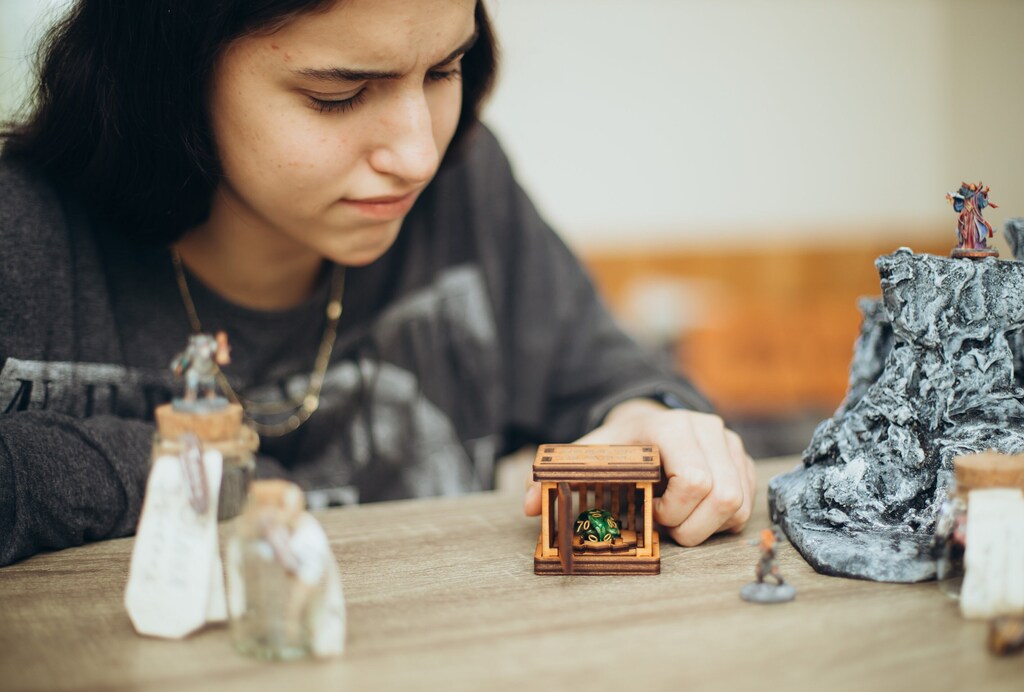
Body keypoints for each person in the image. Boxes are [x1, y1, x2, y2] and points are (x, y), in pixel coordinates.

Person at [0, 0, 755, 567]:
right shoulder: (21, 236)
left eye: (444, 71)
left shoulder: (467, 185)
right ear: (169, 77)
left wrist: (652, 417)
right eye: (339, 94)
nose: (419, 156)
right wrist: (175, 467)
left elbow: (615, 380)